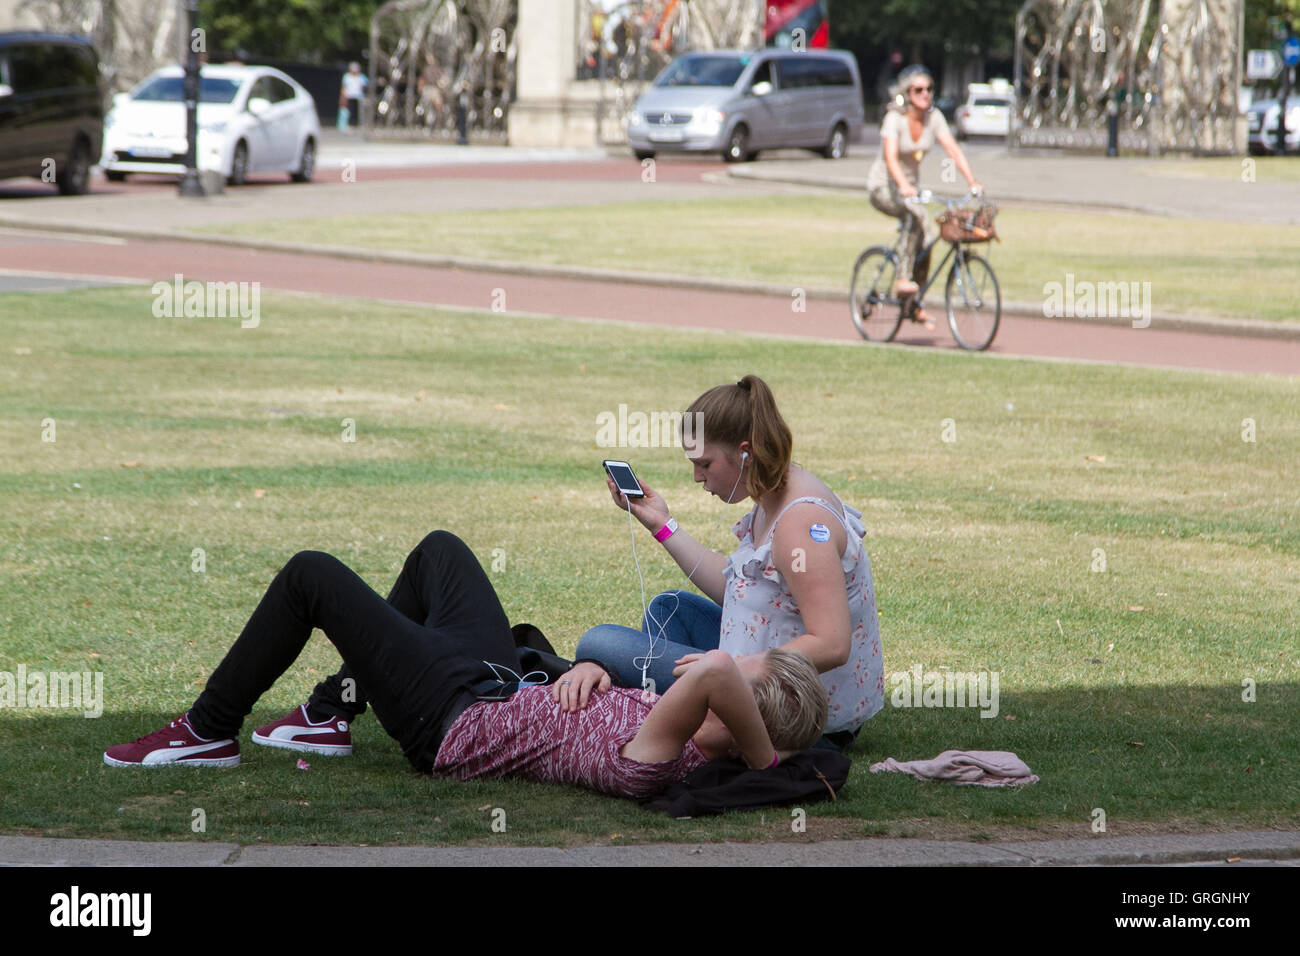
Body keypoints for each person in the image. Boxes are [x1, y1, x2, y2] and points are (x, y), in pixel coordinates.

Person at [103, 531, 826, 800]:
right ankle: (330, 712)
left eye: (744, 669)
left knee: (311, 575)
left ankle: (207, 729)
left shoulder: (667, 760)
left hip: (449, 721)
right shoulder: (681, 724)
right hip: (498, 679)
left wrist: (765, 763)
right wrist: (588, 673)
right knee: (441, 553)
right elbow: (709, 681)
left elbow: (713, 676)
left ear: (742, 715)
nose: (723, 658)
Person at [573, 375, 883, 750]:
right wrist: (662, 524)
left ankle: (678, 718)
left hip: (802, 716)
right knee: (670, 608)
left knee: (600, 643)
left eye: (704, 463)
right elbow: (740, 595)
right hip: (762, 675)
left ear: (744, 452)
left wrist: (735, 669)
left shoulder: (801, 526)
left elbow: (832, 644)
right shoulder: (777, 488)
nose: (696, 477)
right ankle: (686, 714)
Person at [866, 65, 983, 330]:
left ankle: (914, 303)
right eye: (918, 90)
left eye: (929, 89)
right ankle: (901, 279)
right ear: (907, 93)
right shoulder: (894, 119)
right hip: (883, 187)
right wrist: (904, 184)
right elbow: (890, 158)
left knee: (928, 236)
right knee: (913, 215)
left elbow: (952, 149)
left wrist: (972, 181)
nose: (925, 94)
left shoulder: (934, 118)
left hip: (911, 189)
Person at [339, 61, 368, 132]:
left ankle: (361, 125)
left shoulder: (362, 77)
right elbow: (343, 87)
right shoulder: (347, 76)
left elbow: (365, 86)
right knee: (348, 111)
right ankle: (345, 125)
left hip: (359, 97)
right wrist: (343, 97)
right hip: (349, 96)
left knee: (359, 112)